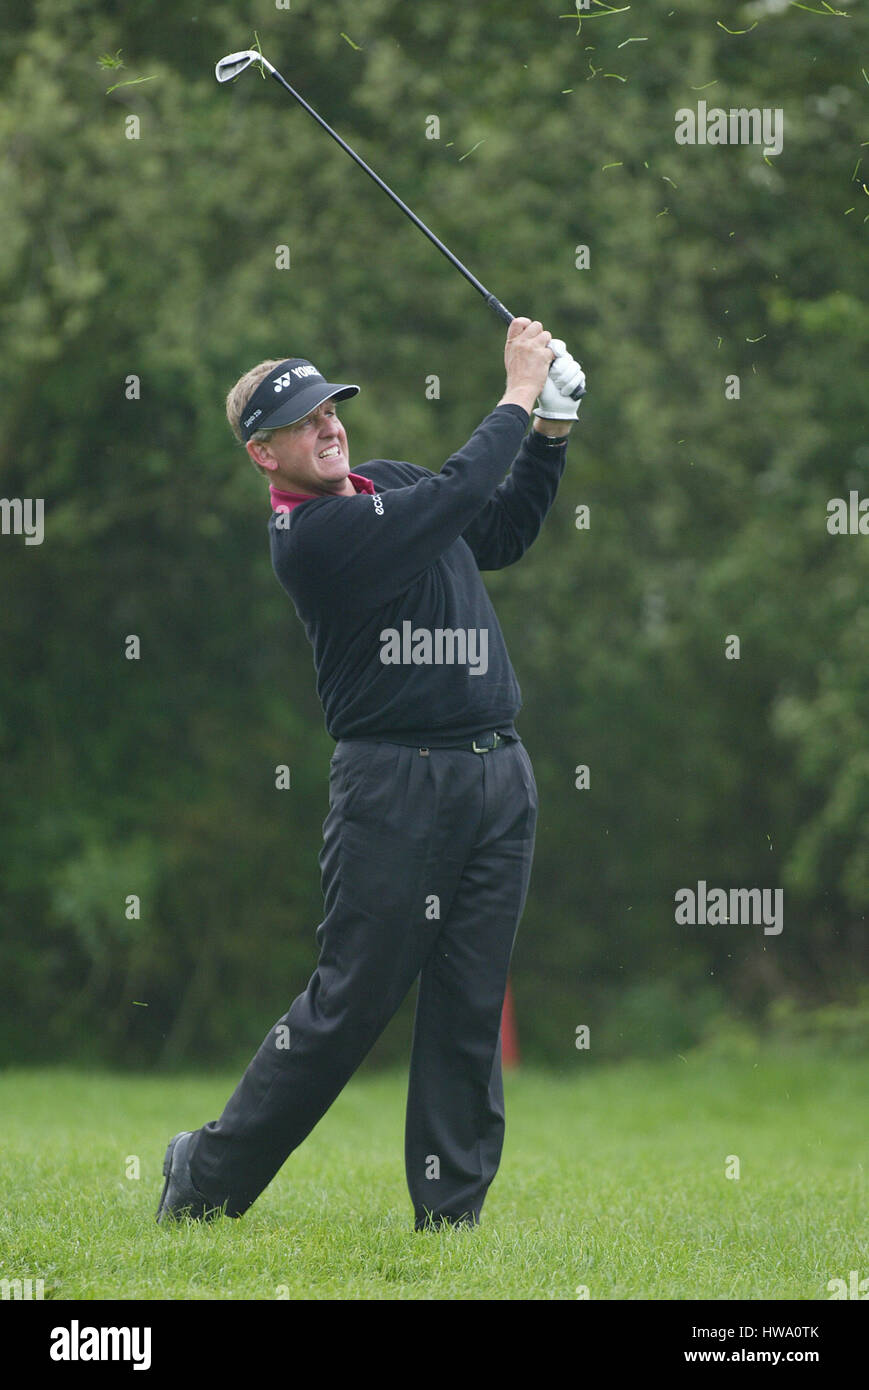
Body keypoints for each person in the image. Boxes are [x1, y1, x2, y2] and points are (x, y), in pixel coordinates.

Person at [156, 317, 585, 1230]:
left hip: (496, 775)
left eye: (332, 409)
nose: (329, 426)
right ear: (263, 453)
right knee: (348, 1004)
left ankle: (450, 1222)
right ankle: (203, 1179)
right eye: (306, 420)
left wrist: (548, 433)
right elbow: (453, 496)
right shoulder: (315, 536)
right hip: (396, 789)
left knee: (469, 1008)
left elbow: (494, 528)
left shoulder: (384, 482)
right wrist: (514, 393)